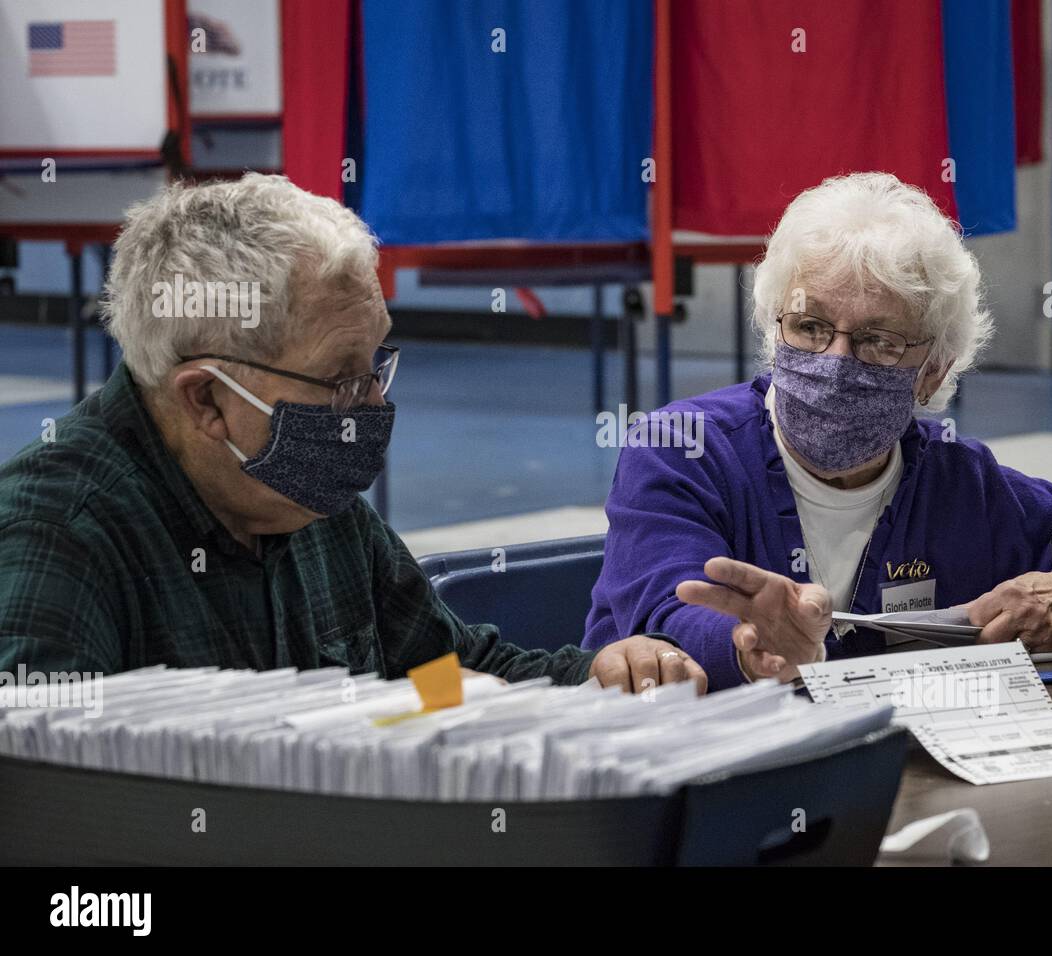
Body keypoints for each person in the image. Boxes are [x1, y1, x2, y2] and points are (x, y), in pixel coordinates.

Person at [0, 173, 705, 695]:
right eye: (340, 380)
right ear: (208, 399)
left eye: (375, 366)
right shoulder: (58, 536)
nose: (370, 405)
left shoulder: (306, 504)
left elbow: (443, 681)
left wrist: (599, 678)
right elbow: (46, 809)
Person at [583, 172, 1052, 689]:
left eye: (879, 339)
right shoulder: (682, 450)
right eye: (810, 326)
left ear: (934, 370)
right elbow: (662, 617)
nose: (836, 361)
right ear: (776, 329)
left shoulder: (959, 483)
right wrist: (751, 647)